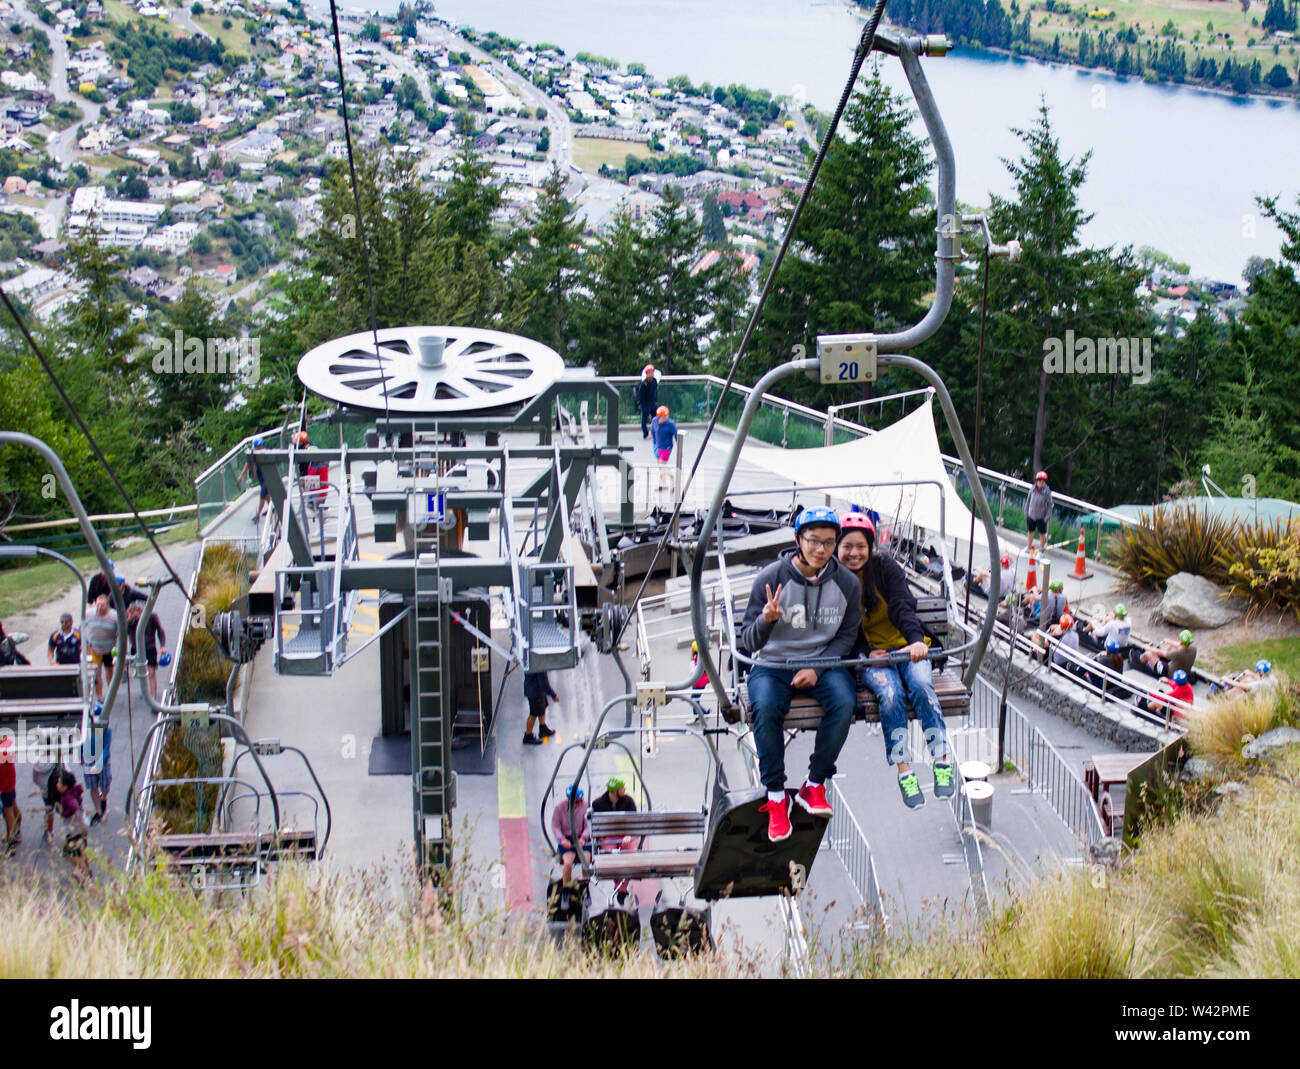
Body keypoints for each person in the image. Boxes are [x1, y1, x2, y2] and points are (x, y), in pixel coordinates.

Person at [740, 506, 861, 842]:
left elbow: (846, 635)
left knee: (843, 702)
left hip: (820, 659)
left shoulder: (847, 584)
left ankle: (815, 783)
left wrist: (817, 667)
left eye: (828, 542)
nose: (820, 550)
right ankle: (776, 796)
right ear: (798, 540)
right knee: (765, 708)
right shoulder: (770, 579)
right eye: (812, 541)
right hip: (774, 663)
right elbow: (747, 641)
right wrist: (766, 620)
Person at [836, 512, 955, 810]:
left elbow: (903, 605)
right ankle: (905, 770)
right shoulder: (834, 580)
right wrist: (863, 656)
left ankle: (941, 759)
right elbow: (839, 629)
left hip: (905, 647)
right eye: (847, 546)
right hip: (875, 657)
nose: (854, 553)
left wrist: (915, 640)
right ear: (837, 547)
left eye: (861, 546)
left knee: (921, 686)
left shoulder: (885, 569)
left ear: (870, 547)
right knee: (890, 696)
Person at [591, 776, 637, 904]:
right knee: (611, 858)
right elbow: (594, 825)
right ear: (614, 791)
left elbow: (634, 821)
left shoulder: (628, 801)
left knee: (628, 857)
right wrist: (601, 836)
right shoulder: (598, 804)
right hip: (609, 836)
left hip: (624, 836)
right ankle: (621, 888)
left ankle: (621, 889)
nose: (624, 789)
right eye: (622, 788)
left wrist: (629, 834)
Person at [126, 601, 167, 701]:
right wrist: (129, 621)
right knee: (141, 671)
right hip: (137, 649)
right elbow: (124, 633)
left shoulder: (152, 616)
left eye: (138, 611)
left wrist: (162, 645)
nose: (137, 615)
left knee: (151, 672)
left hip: (149, 648)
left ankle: (153, 696)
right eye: (134, 612)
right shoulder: (131, 621)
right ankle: (144, 690)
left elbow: (160, 631)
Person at [550, 784, 590, 887]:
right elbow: (555, 826)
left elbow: (588, 825)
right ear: (569, 800)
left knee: (585, 861)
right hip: (567, 837)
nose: (579, 803)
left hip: (580, 836)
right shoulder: (559, 808)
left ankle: (585, 887)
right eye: (577, 801)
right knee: (568, 863)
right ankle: (566, 888)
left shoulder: (585, 806)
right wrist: (562, 839)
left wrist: (583, 838)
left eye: (581, 800)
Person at [82, 594, 119, 701]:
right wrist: (86, 644)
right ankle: (99, 696)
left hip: (109, 650)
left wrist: (118, 647)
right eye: (97, 605)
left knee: (109, 672)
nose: (99, 608)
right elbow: (82, 628)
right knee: (96, 674)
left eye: (102, 606)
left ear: (108, 605)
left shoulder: (114, 616)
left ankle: (111, 692)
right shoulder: (88, 614)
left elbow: (121, 633)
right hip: (94, 650)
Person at [81, 708, 111, 826]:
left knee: (105, 786)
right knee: (93, 787)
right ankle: (98, 811)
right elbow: (82, 741)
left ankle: (103, 797)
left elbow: (106, 748)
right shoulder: (86, 728)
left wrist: (99, 764)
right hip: (89, 760)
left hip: (101, 761)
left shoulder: (107, 730)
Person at [238, 436, 272, 522]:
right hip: (261, 476)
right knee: (266, 494)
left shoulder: (266, 453)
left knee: (263, 495)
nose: (258, 448)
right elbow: (248, 464)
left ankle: (258, 515)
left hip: (268, 476)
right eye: (257, 447)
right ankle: (272, 508)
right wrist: (241, 475)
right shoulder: (253, 454)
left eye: (259, 446)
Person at [522, 671, 558, 746]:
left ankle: (543, 728)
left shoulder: (532, 661)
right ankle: (528, 736)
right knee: (533, 714)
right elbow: (543, 682)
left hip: (534, 689)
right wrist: (553, 695)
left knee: (542, 708)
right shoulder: (539, 665)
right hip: (535, 691)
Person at [1209, 659, 1278, 698]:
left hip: (1260, 701)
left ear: (1261, 673)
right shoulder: (1272, 678)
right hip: (1266, 696)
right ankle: (1227, 693)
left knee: (1243, 688)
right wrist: (1251, 674)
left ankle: (1224, 697)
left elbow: (1243, 686)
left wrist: (1227, 680)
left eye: (1257, 671)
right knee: (1249, 679)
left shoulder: (1261, 684)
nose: (1256, 672)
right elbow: (1261, 679)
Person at [1026, 470, 1053, 556]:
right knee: (1030, 531)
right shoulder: (1032, 489)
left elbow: (1049, 506)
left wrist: (1046, 518)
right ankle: (1028, 547)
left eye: (1043, 481)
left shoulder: (1047, 492)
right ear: (1037, 481)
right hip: (1031, 515)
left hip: (1041, 517)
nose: (1041, 483)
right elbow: (1028, 501)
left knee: (1042, 534)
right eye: (1039, 481)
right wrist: (1026, 513)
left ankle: (1041, 551)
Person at [0, 736, 19, 855]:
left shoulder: (3, 749)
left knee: (8, 814)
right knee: (10, 811)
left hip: (3, 786)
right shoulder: (7, 742)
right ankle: (13, 837)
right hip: (9, 784)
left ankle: (11, 841)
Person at [633, 364, 660, 440]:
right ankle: (645, 434)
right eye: (649, 373)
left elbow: (655, 391)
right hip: (646, 405)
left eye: (652, 372)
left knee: (655, 419)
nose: (651, 374)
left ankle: (654, 433)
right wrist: (644, 405)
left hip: (653, 403)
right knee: (644, 420)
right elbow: (641, 396)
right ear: (646, 374)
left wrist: (656, 401)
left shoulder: (654, 381)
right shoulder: (644, 384)